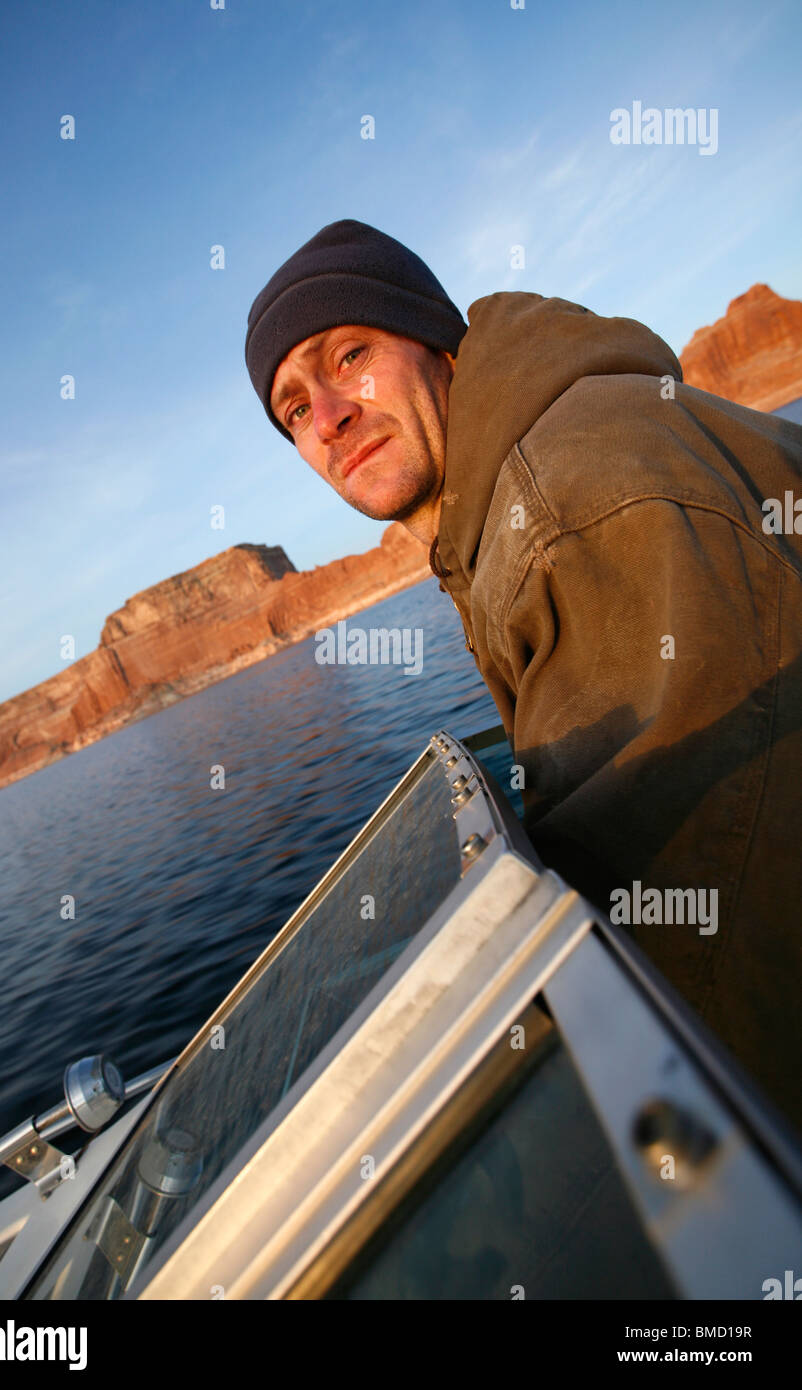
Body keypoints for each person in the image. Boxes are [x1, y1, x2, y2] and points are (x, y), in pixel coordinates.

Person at [245, 218, 802, 1133]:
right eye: (296, 410)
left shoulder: (564, 512)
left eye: (349, 356)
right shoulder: (500, 505)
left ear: (437, 343)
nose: (330, 419)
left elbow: (715, 919)